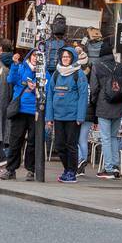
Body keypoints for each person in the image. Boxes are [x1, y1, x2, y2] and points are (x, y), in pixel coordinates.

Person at [46, 46, 89, 183]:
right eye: (63, 57)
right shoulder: (56, 74)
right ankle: (67, 169)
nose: (65, 59)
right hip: (58, 116)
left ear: (73, 58)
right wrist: (49, 117)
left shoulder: (79, 74)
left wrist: (80, 117)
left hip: (72, 117)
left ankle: (72, 172)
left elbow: (83, 96)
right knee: (59, 145)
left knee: (71, 145)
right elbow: (50, 96)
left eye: (68, 57)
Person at [89, 39, 122, 178]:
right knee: (114, 137)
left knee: (105, 138)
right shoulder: (121, 67)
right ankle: (116, 166)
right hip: (118, 107)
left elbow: (94, 88)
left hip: (103, 106)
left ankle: (109, 169)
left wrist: (95, 101)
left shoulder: (97, 66)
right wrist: (120, 98)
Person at [3, 51, 40, 182]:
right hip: (20, 109)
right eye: (34, 56)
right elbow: (10, 79)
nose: (36, 58)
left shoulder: (43, 71)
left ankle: (31, 170)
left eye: (38, 56)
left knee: (33, 142)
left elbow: (47, 88)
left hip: (35, 111)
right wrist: (14, 64)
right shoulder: (22, 68)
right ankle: (10, 169)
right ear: (30, 57)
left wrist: (38, 87)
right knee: (15, 141)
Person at [76, 42, 94, 175]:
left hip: (79, 112)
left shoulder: (77, 77)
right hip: (90, 112)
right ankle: (82, 164)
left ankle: (79, 161)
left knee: (76, 139)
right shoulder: (92, 76)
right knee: (83, 139)